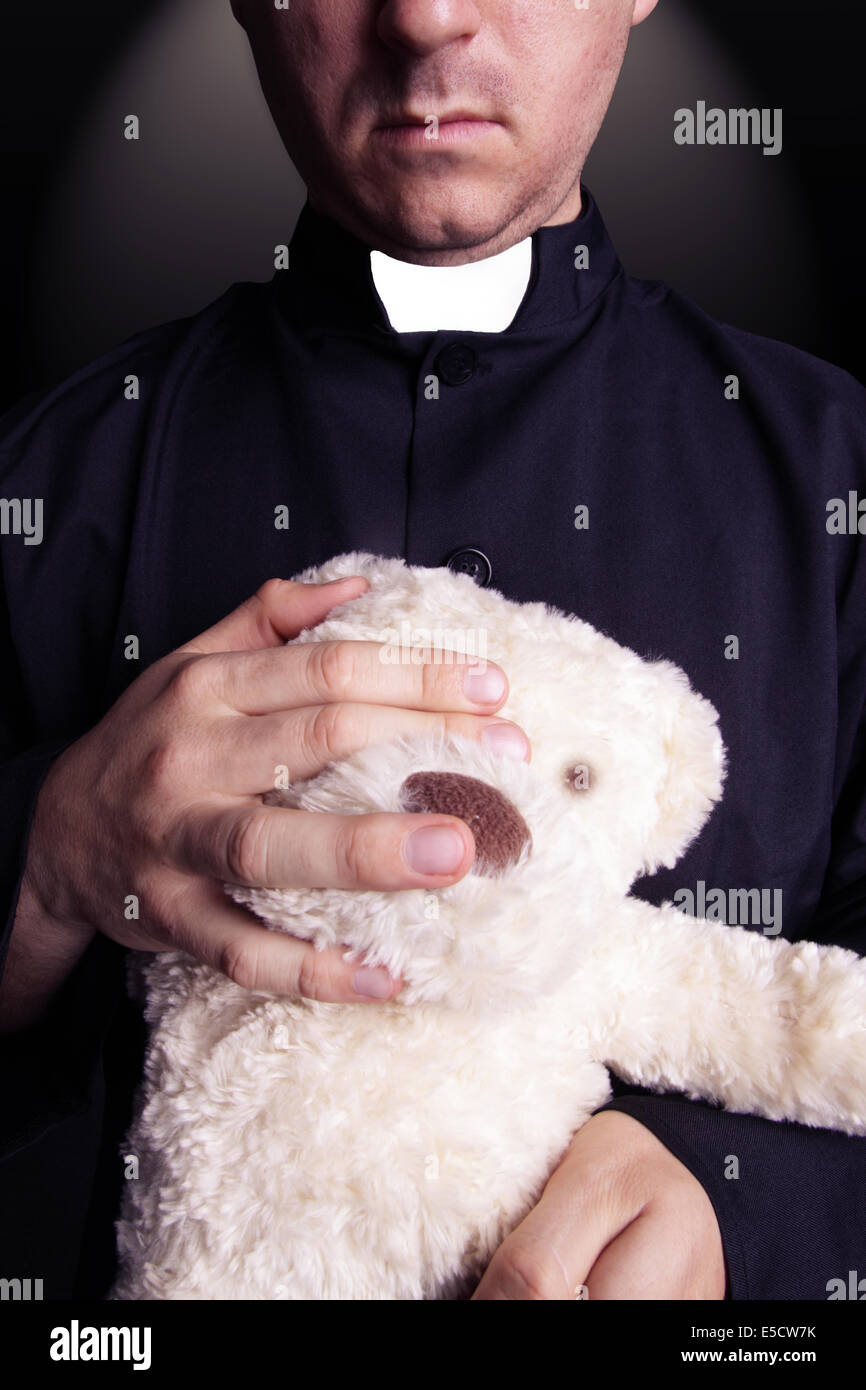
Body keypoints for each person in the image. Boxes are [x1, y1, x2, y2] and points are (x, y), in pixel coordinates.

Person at [1, 0, 864, 1301]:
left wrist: (744, 1197)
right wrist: (47, 863)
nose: (427, 15)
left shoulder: (834, 469)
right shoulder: (49, 475)